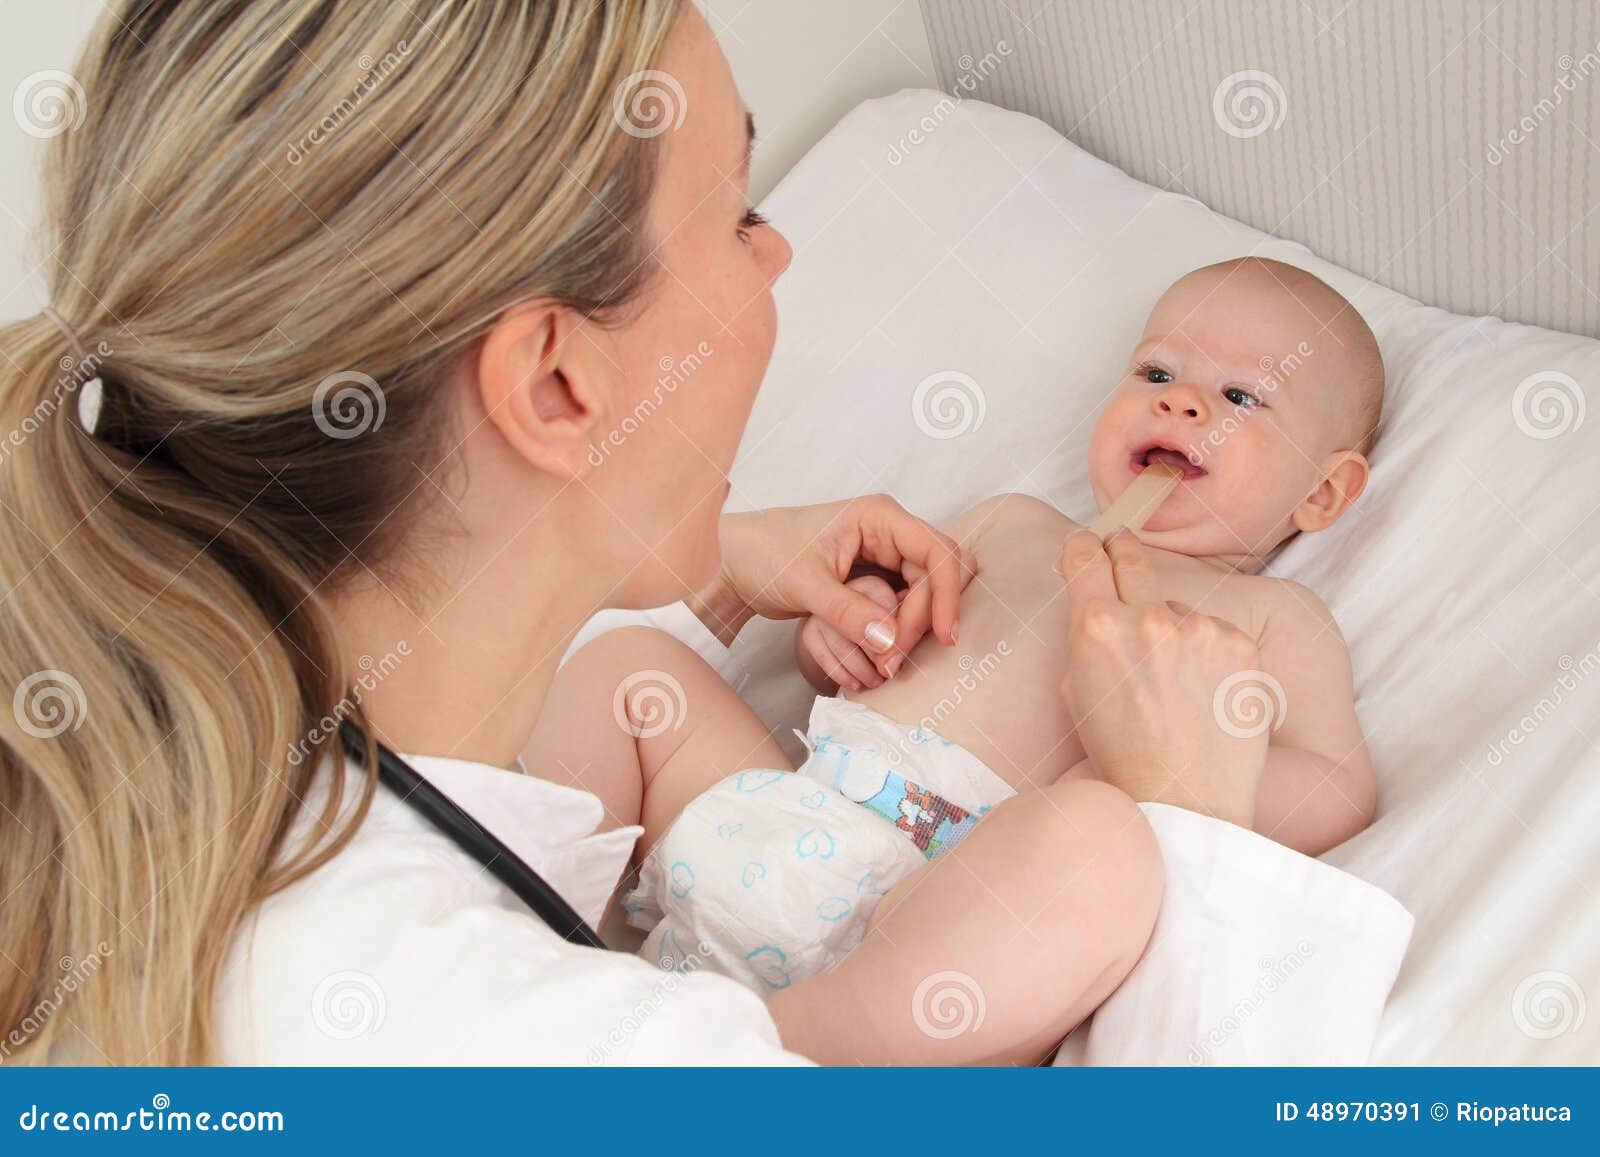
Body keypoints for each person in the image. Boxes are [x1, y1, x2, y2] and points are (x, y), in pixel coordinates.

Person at [0, 1, 1409, 1067]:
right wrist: (1185, 818)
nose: (781, 253)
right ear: (557, 388)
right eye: (741, 216)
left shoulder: (228, 812)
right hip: (818, 845)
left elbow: (1332, 782)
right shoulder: (543, 1053)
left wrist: (702, 557)